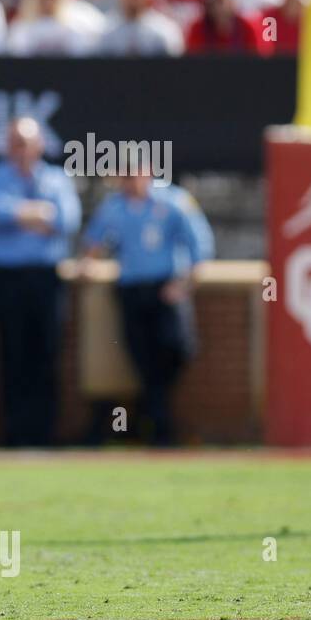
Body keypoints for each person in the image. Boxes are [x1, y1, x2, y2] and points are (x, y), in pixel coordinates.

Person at [81, 164, 213, 445]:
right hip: (131, 291)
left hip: (165, 290)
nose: (128, 181)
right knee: (142, 358)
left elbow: (199, 245)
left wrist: (184, 283)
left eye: (132, 174)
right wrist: (88, 262)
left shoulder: (174, 200)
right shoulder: (114, 207)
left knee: (178, 349)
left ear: (148, 172)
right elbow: (93, 242)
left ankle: (151, 416)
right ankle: (158, 428)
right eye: (123, 175)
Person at [0, 117, 81, 447]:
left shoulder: (56, 178)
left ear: (39, 145)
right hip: (8, 279)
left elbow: (67, 219)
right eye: (15, 143)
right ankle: (15, 434)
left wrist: (23, 214)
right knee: (13, 355)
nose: (21, 150)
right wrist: (38, 214)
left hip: (46, 280)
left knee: (47, 354)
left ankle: (44, 434)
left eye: (26, 143)